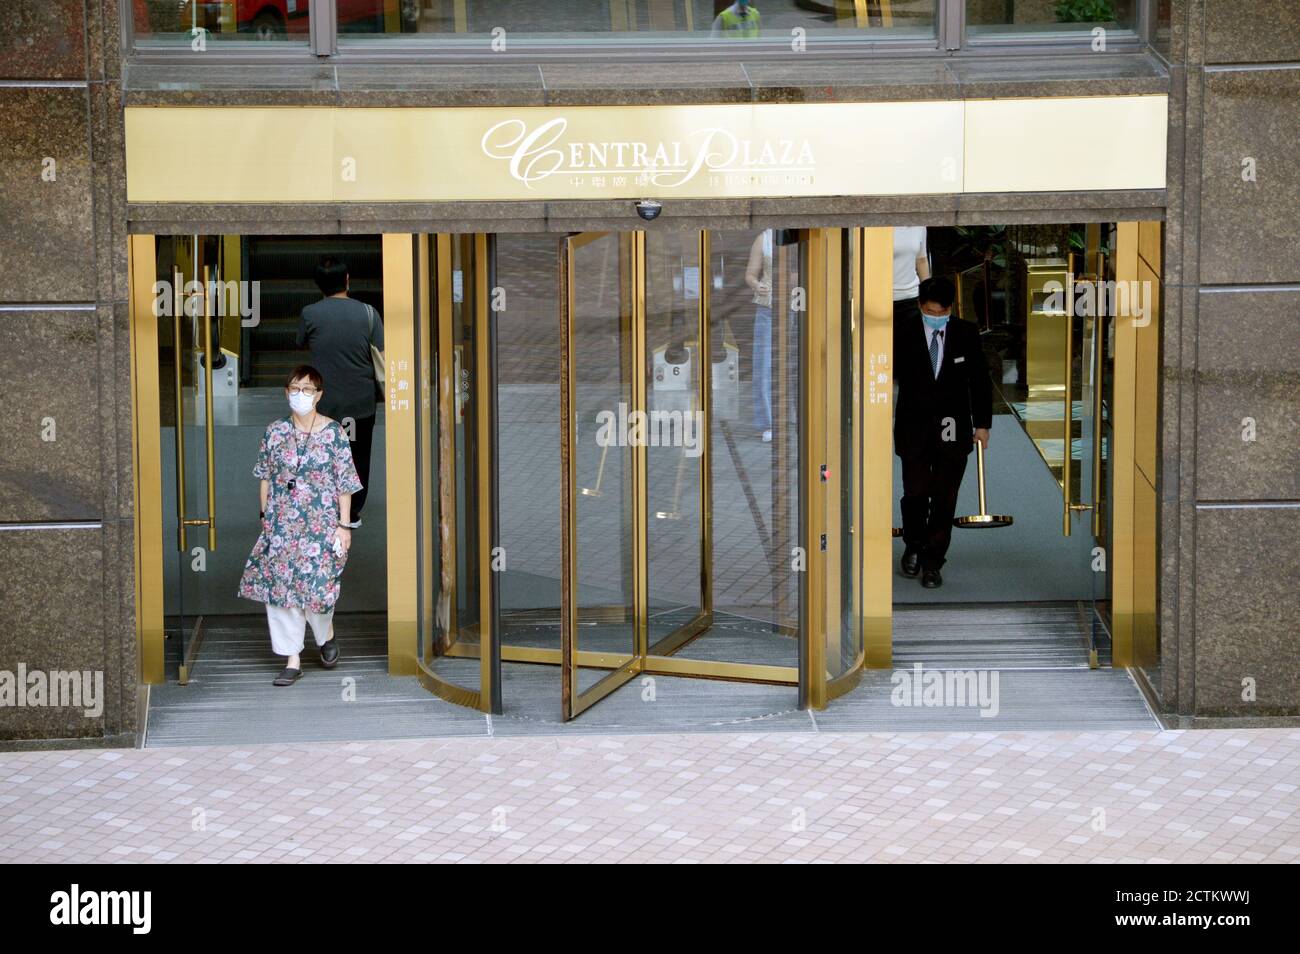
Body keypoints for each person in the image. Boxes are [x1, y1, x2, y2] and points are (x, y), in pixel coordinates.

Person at [237, 366, 363, 686]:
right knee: (282, 593)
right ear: (286, 392)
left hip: (321, 528)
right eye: (294, 389)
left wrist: (343, 526)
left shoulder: (334, 433)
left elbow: (345, 484)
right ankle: (292, 659)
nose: (300, 395)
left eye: (307, 390)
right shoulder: (275, 431)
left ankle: (326, 635)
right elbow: (265, 477)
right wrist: (265, 518)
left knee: (319, 589)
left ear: (319, 395)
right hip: (281, 527)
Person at [893, 277, 992, 589]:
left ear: (951, 308)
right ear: (922, 306)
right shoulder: (903, 332)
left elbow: (979, 380)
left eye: (943, 310)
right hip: (914, 426)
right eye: (932, 310)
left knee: (945, 497)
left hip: (954, 426)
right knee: (915, 493)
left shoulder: (966, 333)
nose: (938, 315)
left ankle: (933, 562)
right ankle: (914, 544)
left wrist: (983, 424)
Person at [297, 257, 382, 528]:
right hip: (360, 400)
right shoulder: (368, 313)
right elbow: (381, 349)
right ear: (347, 280)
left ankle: (325, 505)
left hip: (325, 402)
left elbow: (301, 342)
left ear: (318, 285)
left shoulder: (310, 313)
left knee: (324, 453)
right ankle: (352, 511)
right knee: (358, 455)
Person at [746, 229, 774, 442]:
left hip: (798, 306)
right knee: (763, 367)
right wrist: (757, 285)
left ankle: (796, 418)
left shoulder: (806, 232)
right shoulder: (764, 238)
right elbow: (750, 274)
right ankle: (765, 423)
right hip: (768, 308)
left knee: (797, 367)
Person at [892, 226, 931, 322]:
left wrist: (928, 295)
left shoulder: (918, 222)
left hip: (909, 298)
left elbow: (921, 260)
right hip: (867, 297)